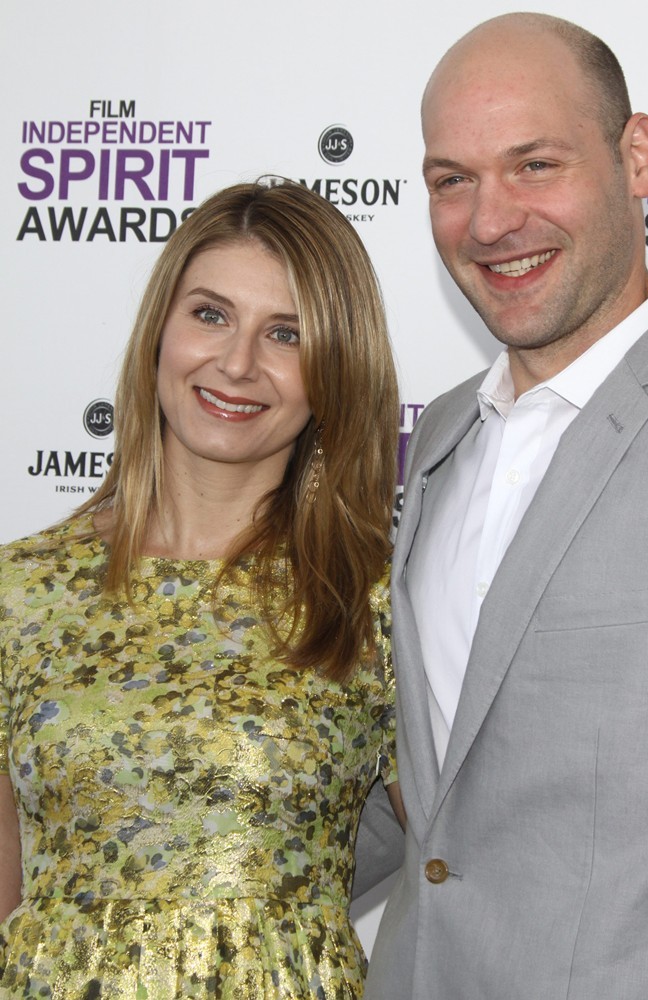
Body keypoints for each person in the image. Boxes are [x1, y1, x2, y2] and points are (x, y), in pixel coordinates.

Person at [355, 12, 648, 1000]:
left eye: (534, 165)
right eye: (451, 180)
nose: (489, 222)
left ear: (637, 157)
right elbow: (434, 785)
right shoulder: (443, 433)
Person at [0, 178, 403, 998]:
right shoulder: (21, 591)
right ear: (160, 329)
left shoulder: (377, 600)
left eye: (286, 334)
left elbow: (471, 869)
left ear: (336, 369)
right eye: (210, 315)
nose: (237, 363)